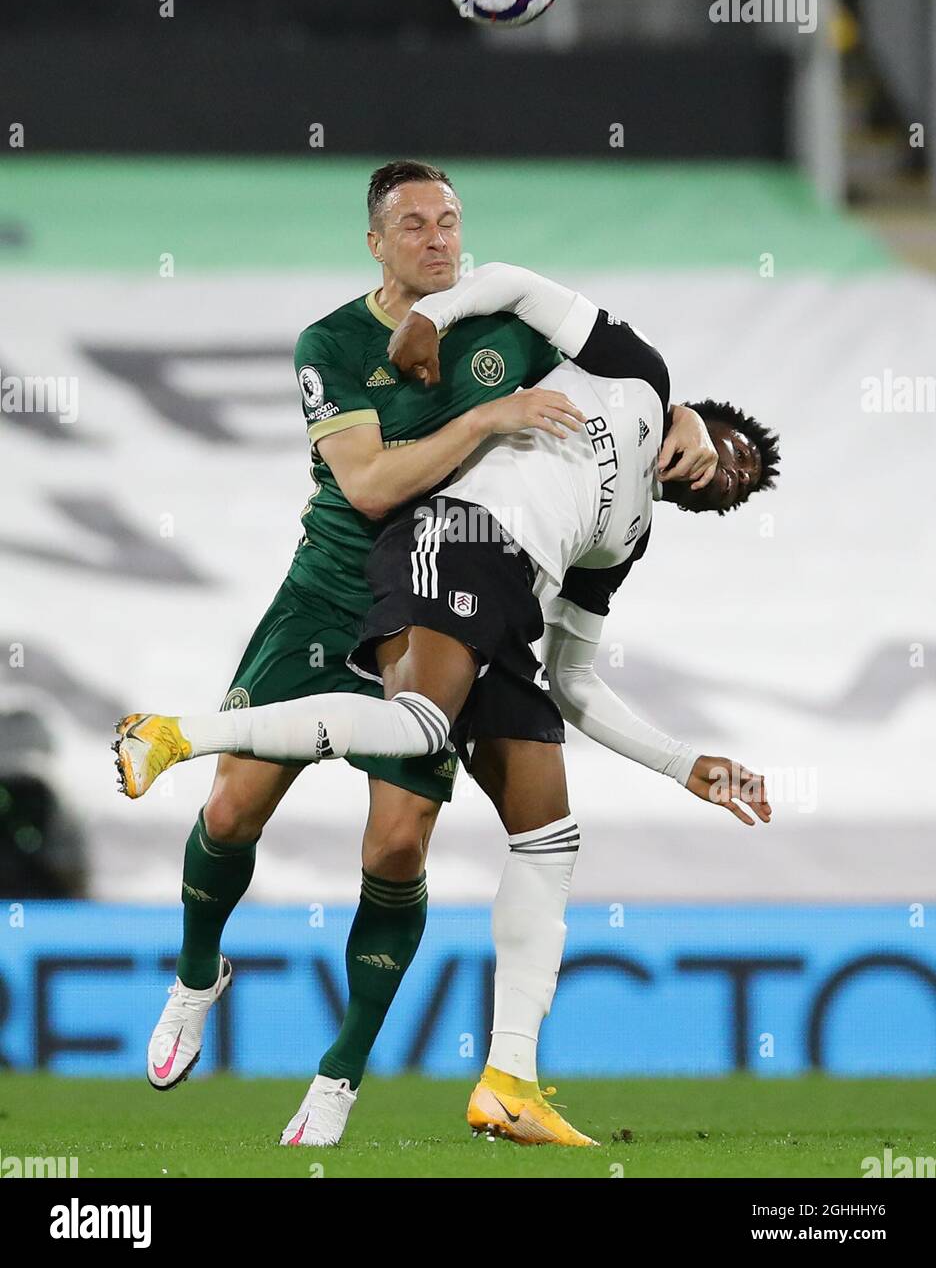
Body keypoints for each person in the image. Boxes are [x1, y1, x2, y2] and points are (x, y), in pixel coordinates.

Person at [117, 263, 778, 1146]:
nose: (723, 473)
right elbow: (515, 286)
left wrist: (684, 765)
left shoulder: (625, 538)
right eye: (732, 451)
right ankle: (180, 746)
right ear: (709, 419)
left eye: (736, 485)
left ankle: (507, 1080)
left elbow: (574, 680)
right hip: (451, 538)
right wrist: (433, 315)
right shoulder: (638, 374)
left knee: (540, 835)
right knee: (247, 804)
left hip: (506, 600)